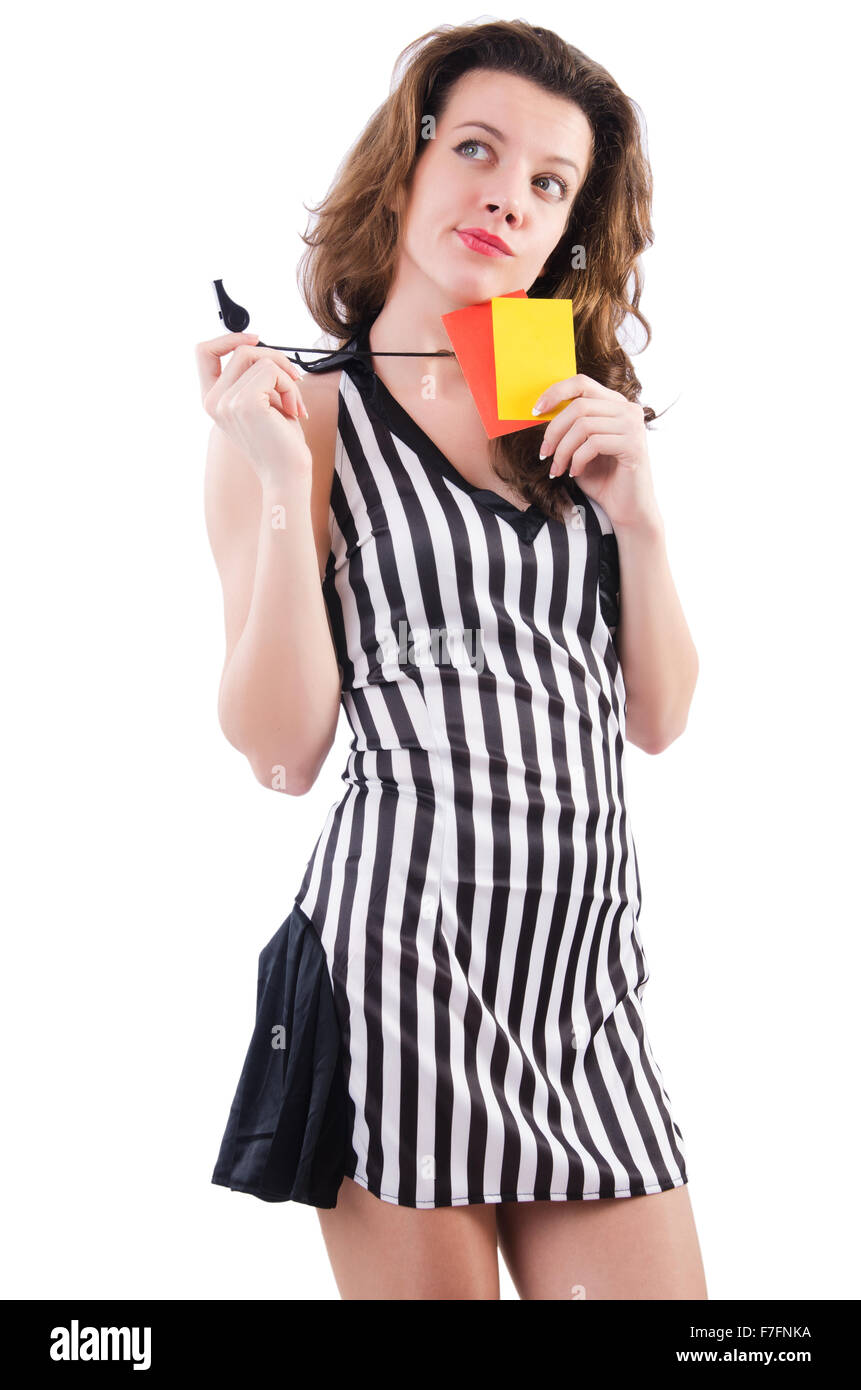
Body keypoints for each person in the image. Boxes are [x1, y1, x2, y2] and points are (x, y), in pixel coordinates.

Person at [195, 18, 707, 1300]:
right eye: (474, 148)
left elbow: (659, 716)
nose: (506, 196)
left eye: (548, 182)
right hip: (400, 968)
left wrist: (642, 520)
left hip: (583, 973)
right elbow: (281, 748)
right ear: (407, 166)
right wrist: (275, 483)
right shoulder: (300, 410)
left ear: (572, 225)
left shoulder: (566, 404)